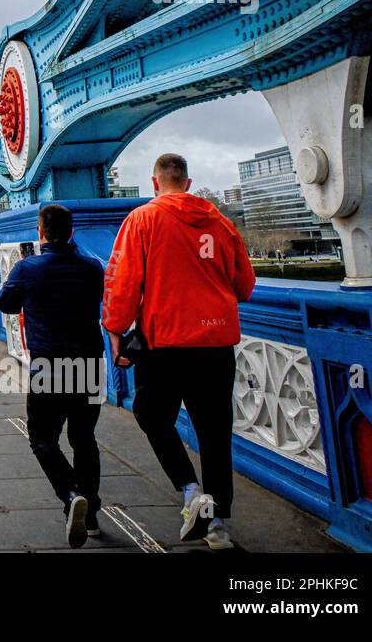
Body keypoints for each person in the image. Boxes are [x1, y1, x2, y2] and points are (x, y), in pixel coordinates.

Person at [103, 153, 255, 551]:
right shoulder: (222, 223)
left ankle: (190, 492)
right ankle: (219, 523)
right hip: (216, 343)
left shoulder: (142, 219)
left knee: (151, 415)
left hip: (165, 342)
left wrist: (115, 328)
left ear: (156, 184)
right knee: (214, 432)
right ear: (187, 183)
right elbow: (245, 286)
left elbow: (123, 282)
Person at [0, 204, 105, 548]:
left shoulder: (28, 267)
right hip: (89, 361)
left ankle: (71, 495)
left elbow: (5, 305)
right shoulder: (92, 266)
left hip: (50, 363)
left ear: (41, 233)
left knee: (42, 438)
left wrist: (20, 275)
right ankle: (92, 516)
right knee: (84, 438)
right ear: (72, 232)